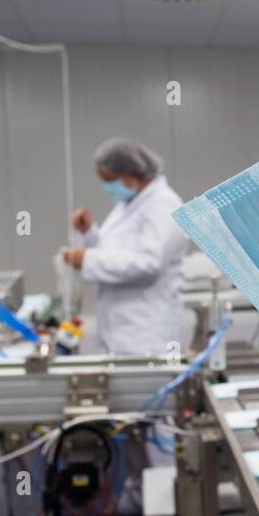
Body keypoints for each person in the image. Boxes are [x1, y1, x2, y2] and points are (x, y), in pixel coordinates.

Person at [61, 138, 187, 356]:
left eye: (110, 180)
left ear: (130, 175)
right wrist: (89, 233)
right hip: (121, 330)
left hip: (145, 335)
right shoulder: (128, 205)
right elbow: (116, 253)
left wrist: (87, 259)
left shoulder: (162, 204)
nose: (107, 188)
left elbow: (149, 265)